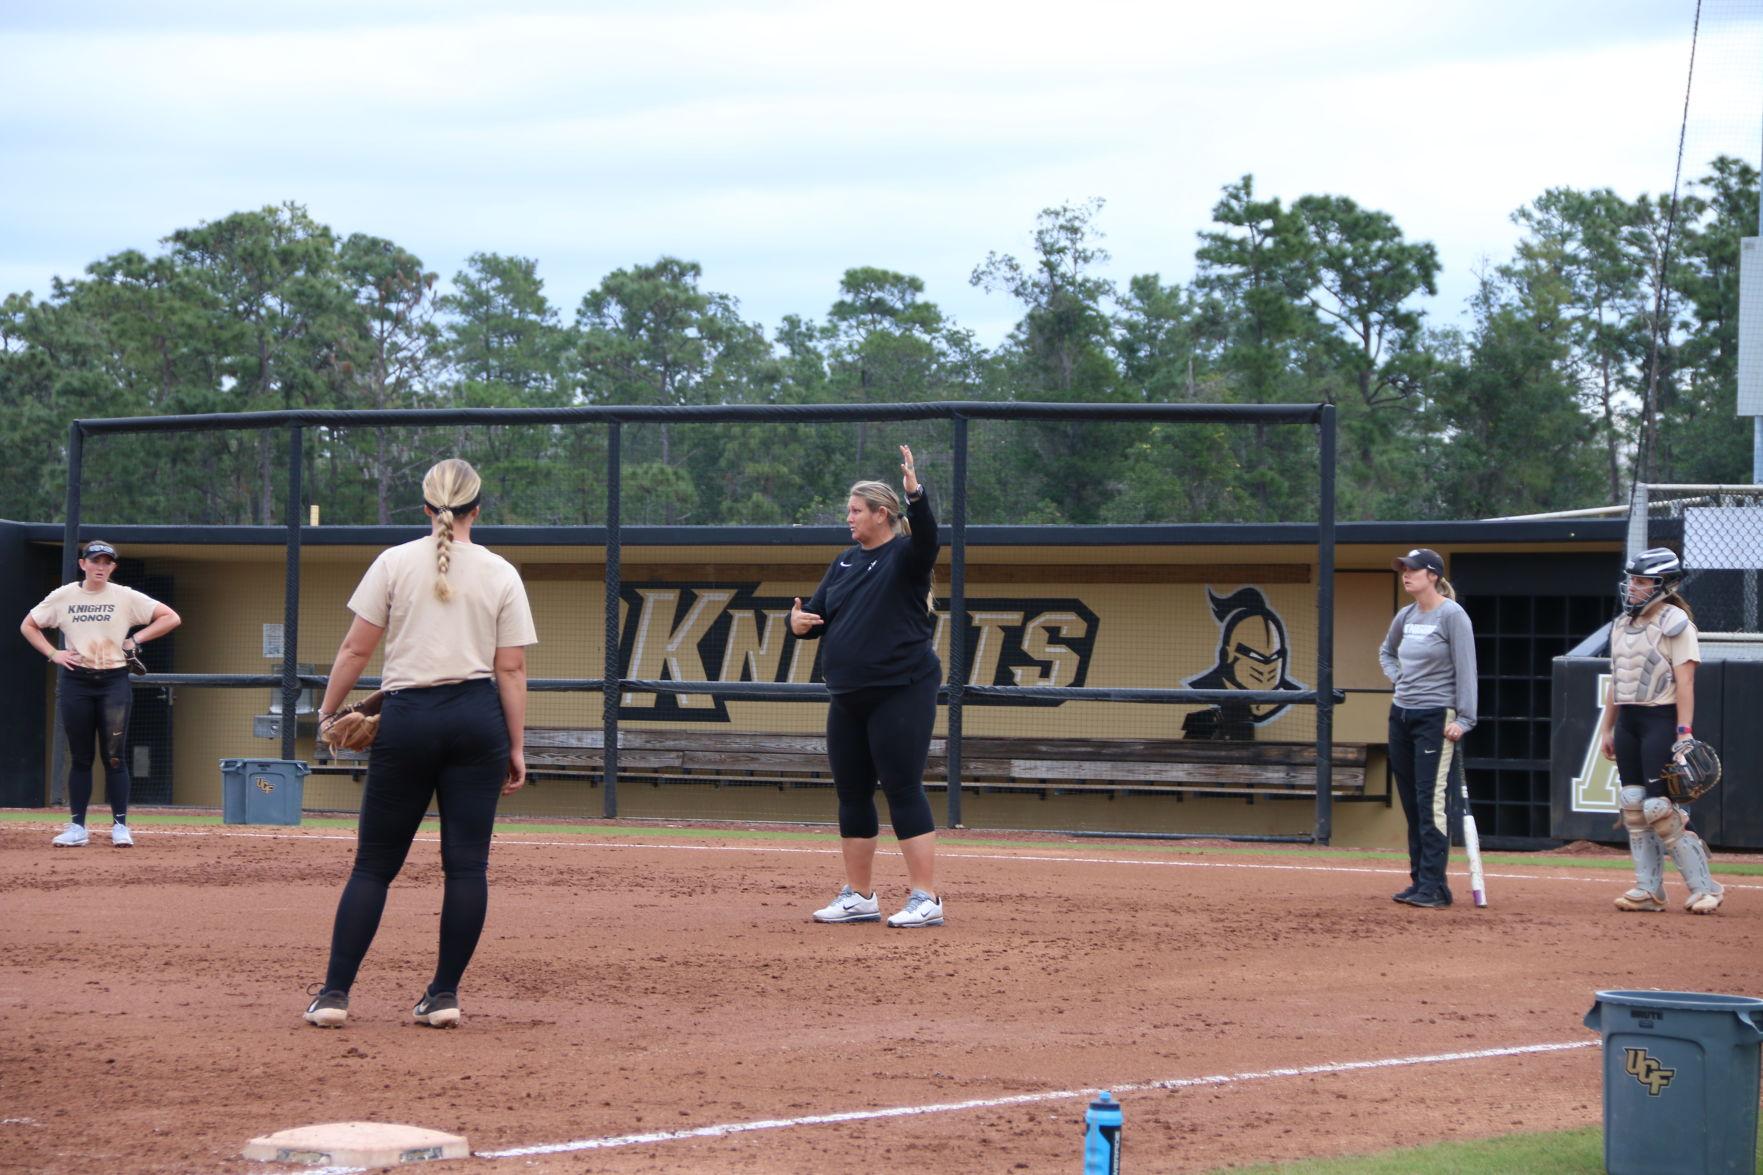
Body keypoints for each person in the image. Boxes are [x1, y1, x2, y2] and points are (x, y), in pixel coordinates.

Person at [303, 459, 537, 1029]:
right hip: (477, 720)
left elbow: (355, 650)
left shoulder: (393, 562)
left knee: (373, 867)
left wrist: (329, 712)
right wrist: (516, 746)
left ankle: (334, 996)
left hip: (407, 718)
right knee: (466, 867)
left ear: (427, 508)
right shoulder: (501, 572)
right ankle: (443, 996)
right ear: (478, 509)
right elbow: (511, 669)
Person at [791, 444, 944, 929]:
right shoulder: (843, 563)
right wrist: (797, 623)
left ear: (882, 514)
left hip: (901, 688)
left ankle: (926, 897)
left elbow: (929, 539)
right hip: (848, 694)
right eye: (849, 511)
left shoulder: (905, 555)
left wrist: (916, 495)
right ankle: (859, 896)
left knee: (902, 787)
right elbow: (814, 617)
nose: (849, 518)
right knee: (852, 792)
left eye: (856, 510)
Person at [21, 540, 181, 848]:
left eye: (107, 562)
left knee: (115, 756)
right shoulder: (63, 596)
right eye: (95, 561)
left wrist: (135, 639)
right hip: (76, 681)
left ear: (112, 567)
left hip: (113, 681)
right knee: (81, 757)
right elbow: (28, 625)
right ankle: (77, 827)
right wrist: (53, 653)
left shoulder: (124, 596)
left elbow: (170, 617)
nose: (101, 567)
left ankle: (120, 826)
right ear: (83, 564)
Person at [1597, 548, 1722, 915]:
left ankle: (1706, 888)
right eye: (1632, 580)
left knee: (1659, 808)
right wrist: (1607, 728)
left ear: (1664, 585)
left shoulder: (1676, 623)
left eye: (1643, 581)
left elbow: (1686, 682)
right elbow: (1617, 680)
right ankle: (1649, 890)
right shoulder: (1622, 624)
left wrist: (1684, 733)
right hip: (1629, 721)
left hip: (1660, 719)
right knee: (1633, 804)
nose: (1633, 587)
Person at [1378, 548, 1477, 910]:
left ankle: (1433, 886)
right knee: (1410, 801)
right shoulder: (1405, 616)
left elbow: (1467, 668)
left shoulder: (1452, 615)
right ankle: (1422, 880)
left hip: (1436, 717)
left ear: (1433, 575)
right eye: (1404, 569)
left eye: (1413, 569)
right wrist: (1400, 679)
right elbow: (1386, 652)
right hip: (1401, 714)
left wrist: (1464, 719)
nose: (1406, 574)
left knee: (1429, 801)